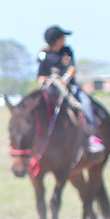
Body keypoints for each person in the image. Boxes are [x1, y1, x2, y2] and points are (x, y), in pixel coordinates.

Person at [36, 25, 104, 153]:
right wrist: (46, 82)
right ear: (56, 40)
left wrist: (65, 79)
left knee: (86, 102)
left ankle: (91, 135)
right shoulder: (43, 55)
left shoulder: (67, 51)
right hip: (51, 88)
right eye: (62, 37)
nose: (64, 39)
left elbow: (72, 68)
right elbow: (40, 75)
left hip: (69, 86)